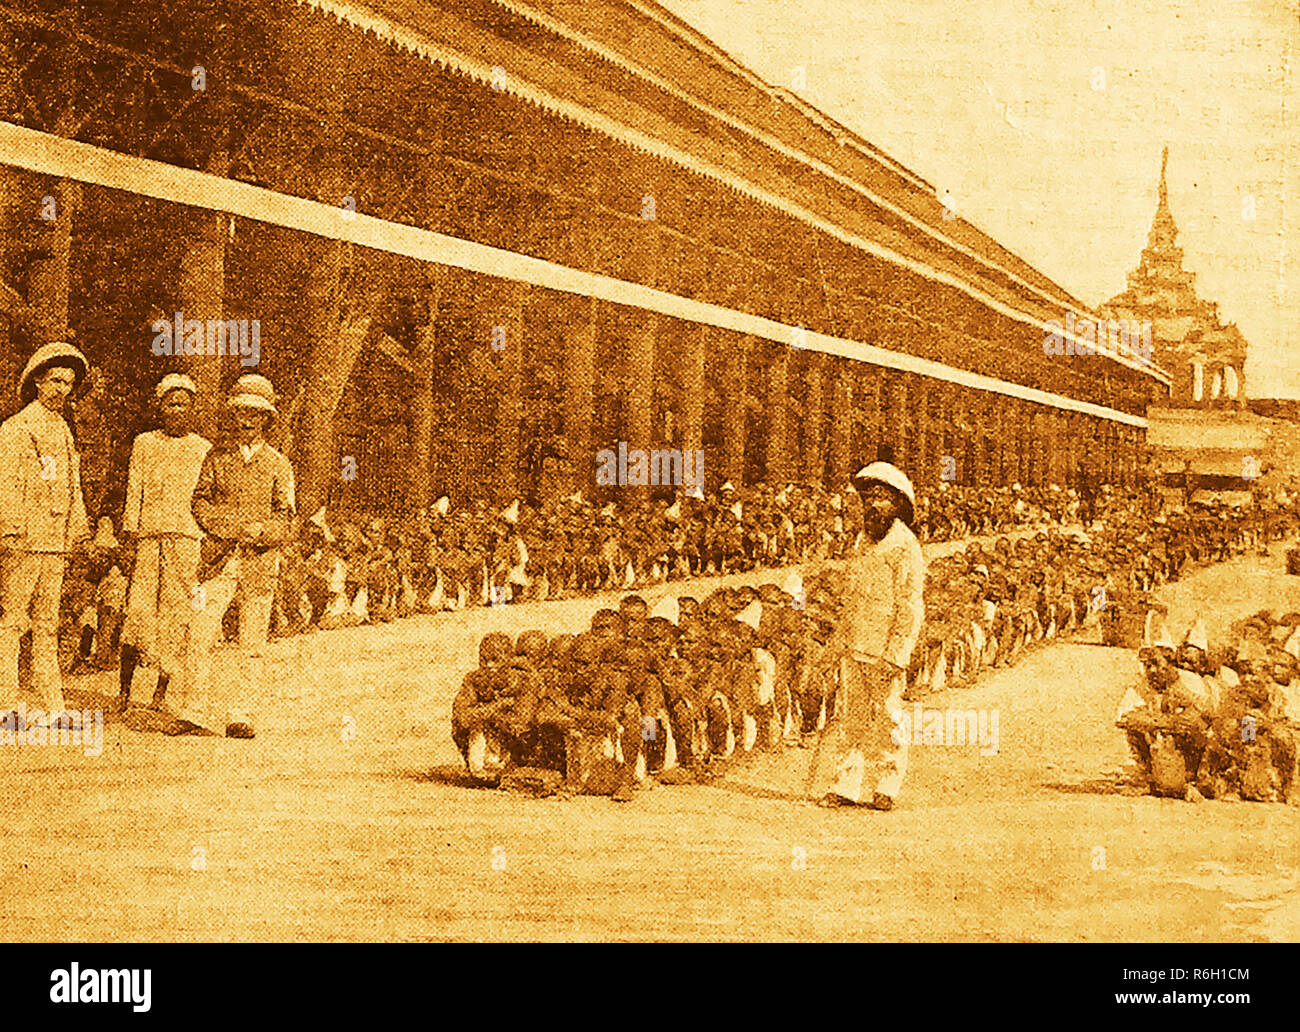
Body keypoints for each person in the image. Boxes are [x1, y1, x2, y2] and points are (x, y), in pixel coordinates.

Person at [187, 374, 296, 738]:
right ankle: (193, 710)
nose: (246, 420)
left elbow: (286, 516)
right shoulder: (215, 457)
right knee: (201, 632)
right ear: (232, 416)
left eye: (255, 414)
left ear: (267, 419)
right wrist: (228, 525)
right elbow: (198, 502)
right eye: (240, 412)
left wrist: (263, 532)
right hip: (217, 558)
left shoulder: (279, 464)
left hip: (260, 564)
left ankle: (241, 714)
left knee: (252, 642)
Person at [822, 462, 924, 810]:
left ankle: (886, 787)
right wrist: (840, 641)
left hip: (885, 651)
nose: (873, 506)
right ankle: (844, 786)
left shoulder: (905, 546)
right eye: (868, 498)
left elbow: (910, 605)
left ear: (898, 505)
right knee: (850, 718)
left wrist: (897, 654)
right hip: (856, 645)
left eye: (882, 499)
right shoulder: (862, 542)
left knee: (888, 718)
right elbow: (852, 597)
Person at [0, 342, 91, 731]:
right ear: (37, 380)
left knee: (48, 624)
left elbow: (72, 486)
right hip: (25, 540)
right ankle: (8, 704)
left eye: (68, 383)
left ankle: (54, 704)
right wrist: (10, 530)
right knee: (13, 621)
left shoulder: (64, 430)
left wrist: (78, 531)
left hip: (55, 541)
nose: (61, 389)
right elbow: (8, 484)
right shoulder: (17, 427)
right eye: (55, 380)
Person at [117, 373, 212, 731]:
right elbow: (134, 487)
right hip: (148, 537)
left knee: (176, 616)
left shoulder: (203, 448)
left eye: (183, 404)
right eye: (170, 404)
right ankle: (124, 690)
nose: (177, 410)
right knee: (138, 611)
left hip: (186, 539)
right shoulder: (144, 443)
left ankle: (161, 692)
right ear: (159, 408)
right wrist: (130, 532)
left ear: (192, 410)